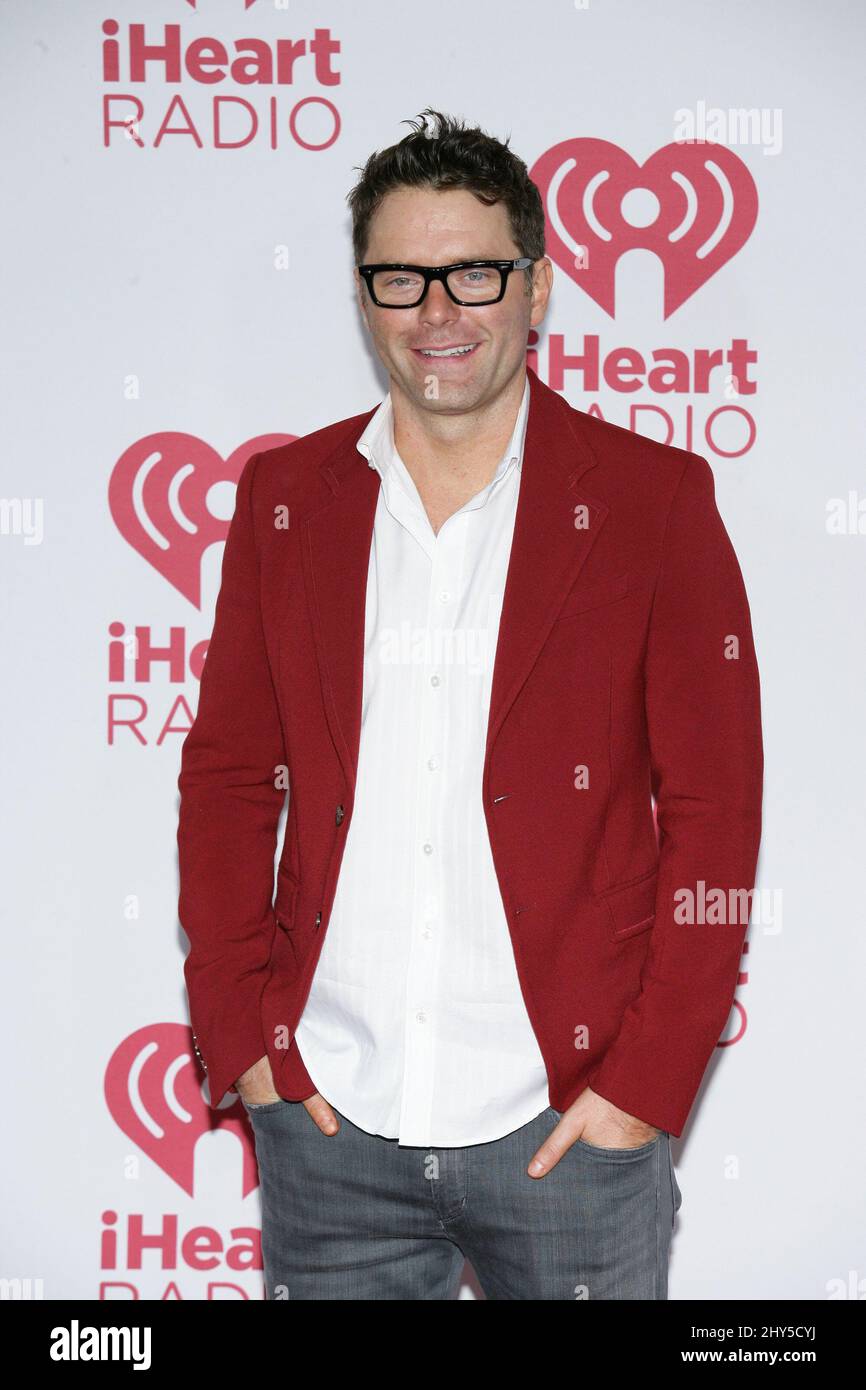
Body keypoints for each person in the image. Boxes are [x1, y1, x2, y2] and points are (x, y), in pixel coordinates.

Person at [176, 109, 763, 1300]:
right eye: (401, 277)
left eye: (474, 272)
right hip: (328, 1123)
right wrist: (242, 1039)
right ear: (362, 296)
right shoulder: (286, 500)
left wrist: (645, 1081)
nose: (438, 311)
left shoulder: (654, 502)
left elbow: (715, 810)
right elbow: (232, 777)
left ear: (536, 288)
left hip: (569, 1126)